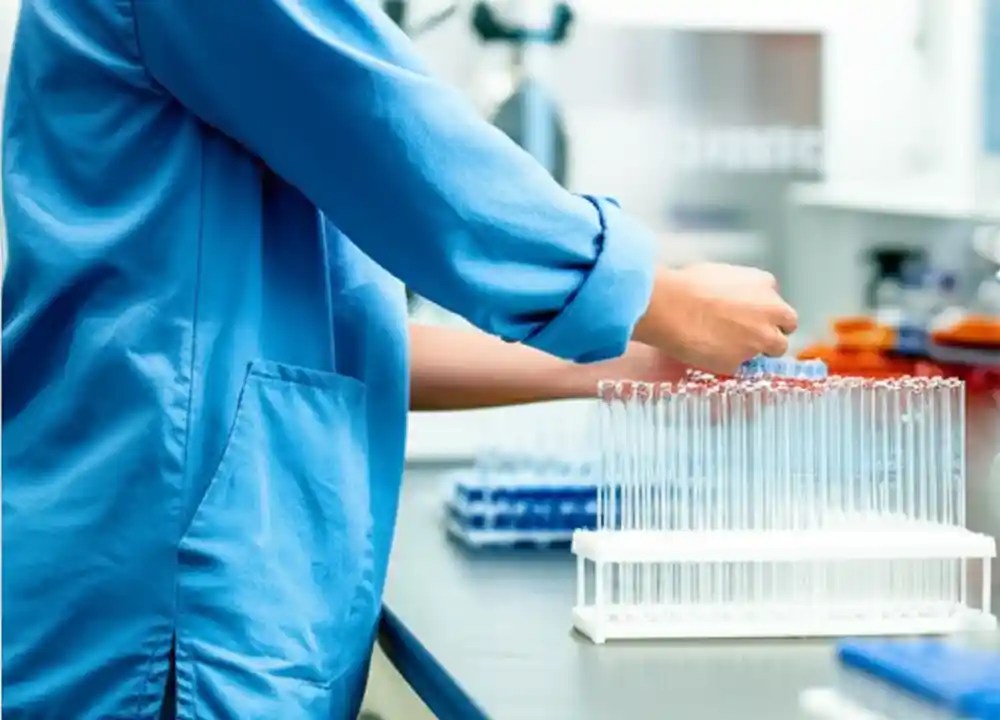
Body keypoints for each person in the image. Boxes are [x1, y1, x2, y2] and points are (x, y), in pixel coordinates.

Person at [0, 0, 797, 718]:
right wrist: (666, 302)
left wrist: (630, 365)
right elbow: (410, 149)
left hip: (187, 584)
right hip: (159, 610)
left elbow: (326, 351)